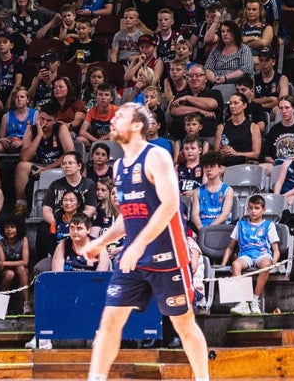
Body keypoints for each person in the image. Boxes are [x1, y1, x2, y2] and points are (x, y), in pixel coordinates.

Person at [80, 103, 209, 381]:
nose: (113, 119)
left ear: (137, 125)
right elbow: (128, 216)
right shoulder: (118, 166)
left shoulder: (157, 156)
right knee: (110, 322)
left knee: (184, 324)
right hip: (133, 259)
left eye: (120, 116)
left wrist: (138, 244)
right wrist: (100, 242)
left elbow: (171, 205)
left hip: (167, 254)